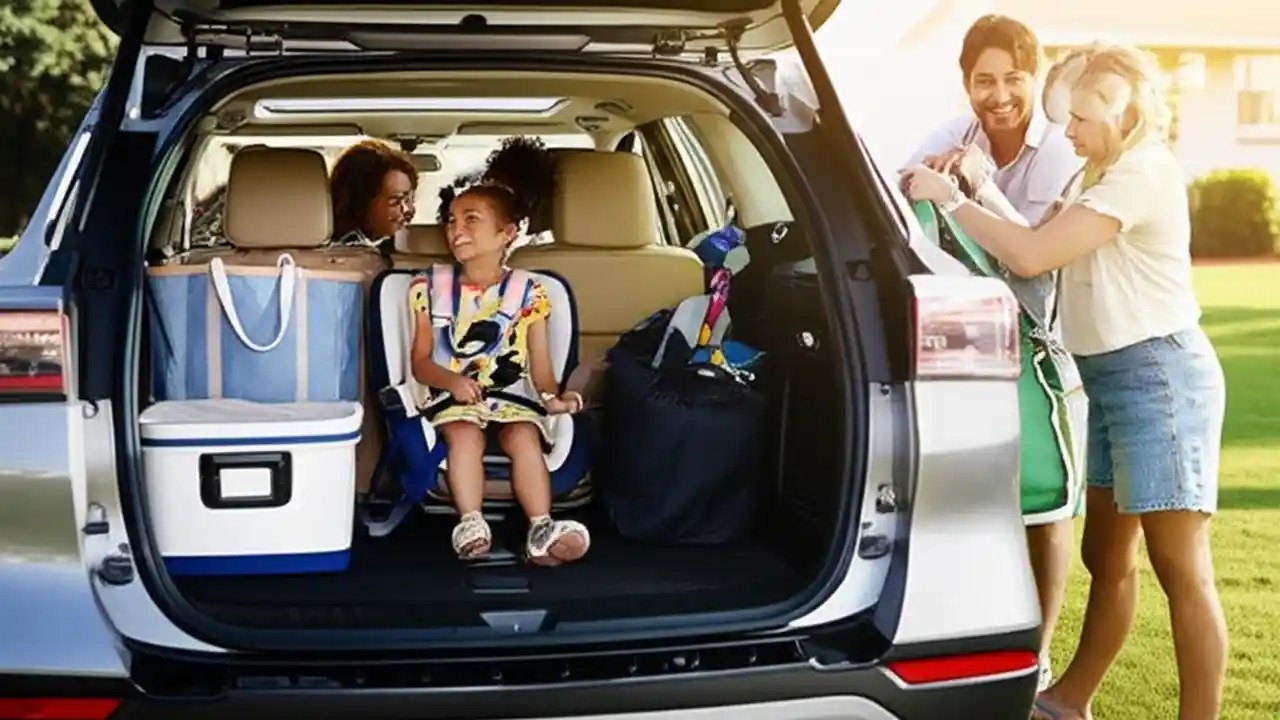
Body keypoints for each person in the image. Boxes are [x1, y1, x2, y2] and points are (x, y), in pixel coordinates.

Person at [901, 45, 1228, 720]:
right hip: (1111, 381)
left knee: (1180, 569)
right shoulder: (1100, 172)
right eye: (1066, 116)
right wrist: (974, 188)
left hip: (1159, 379)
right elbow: (1034, 253)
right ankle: (1071, 700)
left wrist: (948, 201)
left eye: (1081, 117)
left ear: (1126, 109)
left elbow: (1028, 253)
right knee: (1106, 554)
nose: (1068, 131)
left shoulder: (1141, 173)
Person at [904, 13, 1085, 691]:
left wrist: (972, 188)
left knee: (1045, 501)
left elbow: (1036, 260)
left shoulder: (1062, 154)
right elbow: (902, 184)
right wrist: (930, 171)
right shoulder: (957, 133)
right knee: (980, 494)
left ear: (1034, 78)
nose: (999, 94)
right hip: (972, 339)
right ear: (966, 84)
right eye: (984, 81)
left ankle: (1037, 657)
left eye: (1013, 78)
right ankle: (978, 634)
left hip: (1045, 341)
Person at [409, 137, 590, 566]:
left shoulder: (532, 293)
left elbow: (540, 365)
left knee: (525, 438)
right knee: (464, 436)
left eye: (472, 220)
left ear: (508, 232)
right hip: (453, 398)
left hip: (512, 401)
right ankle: (470, 522)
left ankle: (541, 527)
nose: (457, 230)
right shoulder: (427, 289)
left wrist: (552, 398)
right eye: (451, 221)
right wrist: (451, 381)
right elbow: (420, 361)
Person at [329, 139, 419, 250]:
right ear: (361, 203)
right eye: (395, 201)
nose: (408, 210)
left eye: (410, 200)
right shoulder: (348, 256)